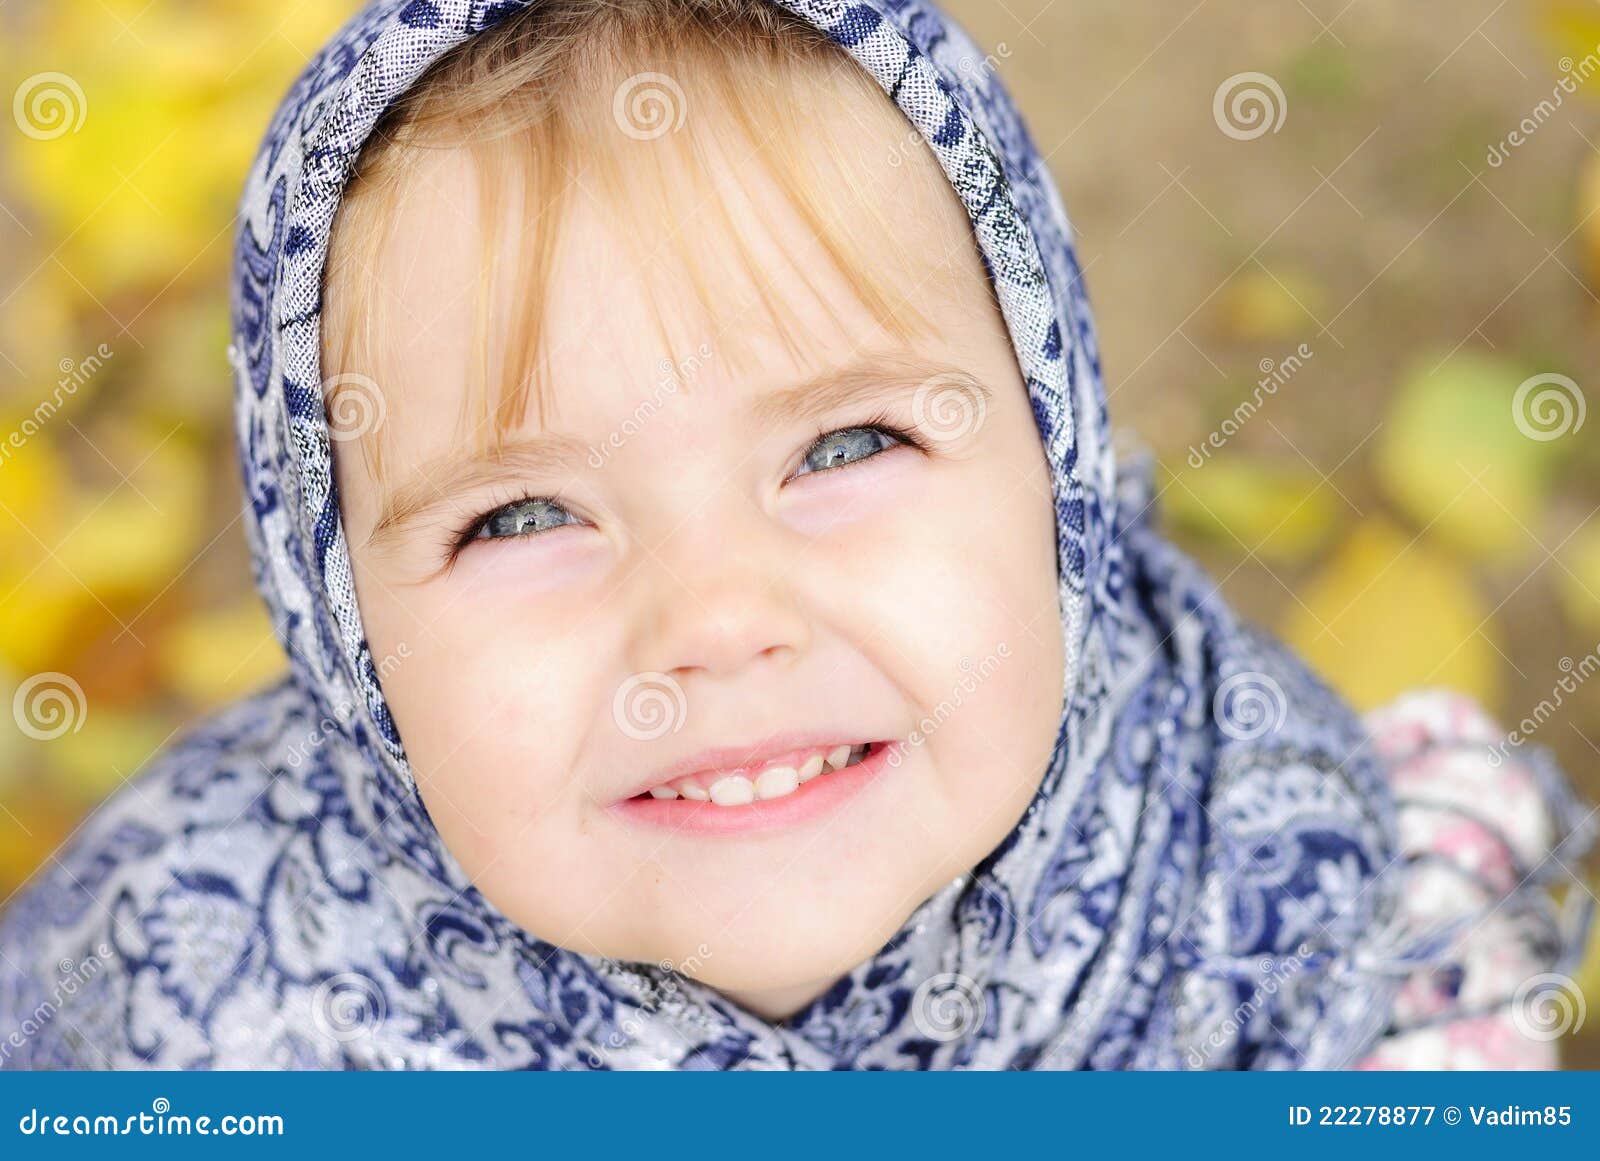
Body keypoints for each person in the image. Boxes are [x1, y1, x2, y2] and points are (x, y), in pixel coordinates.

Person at [0, 0, 1590, 1070]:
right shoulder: (181, 1002)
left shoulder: (1257, 861)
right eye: (524, 513)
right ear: (341, 630)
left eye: (846, 444)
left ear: (1057, 463)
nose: (716, 614)